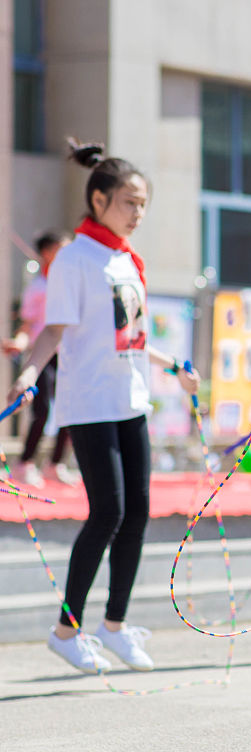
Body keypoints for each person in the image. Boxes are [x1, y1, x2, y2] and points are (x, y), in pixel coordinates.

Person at [7, 139, 200, 674]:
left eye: (142, 204)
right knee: (108, 511)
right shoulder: (75, 257)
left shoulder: (124, 259)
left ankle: (113, 627)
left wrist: (172, 366)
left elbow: (128, 336)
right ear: (98, 201)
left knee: (136, 513)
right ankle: (67, 630)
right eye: (128, 202)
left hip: (130, 398)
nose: (137, 213)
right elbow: (55, 330)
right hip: (90, 400)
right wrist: (25, 373)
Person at [3, 231, 76, 488]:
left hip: (66, 354)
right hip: (42, 355)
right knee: (42, 409)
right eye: (62, 249)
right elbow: (27, 325)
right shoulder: (37, 288)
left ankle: (55, 464)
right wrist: (18, 344)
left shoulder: (71, 285)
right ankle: (25, 463)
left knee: (69, 410)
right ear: (47, 252)